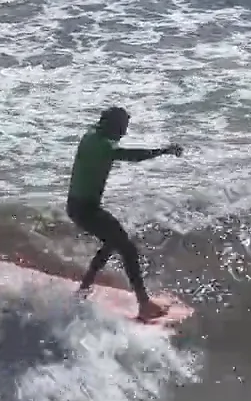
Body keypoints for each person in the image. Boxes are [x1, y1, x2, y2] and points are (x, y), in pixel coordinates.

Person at [66, 107, 183, 321]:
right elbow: (132, 156)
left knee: (113, 241)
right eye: (122, 129)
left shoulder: (91, 135)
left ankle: (83, 289)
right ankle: (144, 305)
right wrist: (164, 150)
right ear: (111, 126)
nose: (124, 134)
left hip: (77, 206)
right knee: (127, 249)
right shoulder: (102, 146)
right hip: (85, 209)